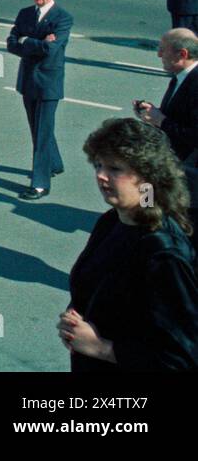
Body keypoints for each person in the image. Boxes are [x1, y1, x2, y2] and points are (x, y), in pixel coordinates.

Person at [62, 118, 198, 371]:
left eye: (115, 168)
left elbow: (181, 359)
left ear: (147, 177)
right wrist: (75, 318)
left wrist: (101, 348)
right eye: (99, 164)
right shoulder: (112, 221)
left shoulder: (163, 251)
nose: (101, 176)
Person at [6, 0, 72, 201]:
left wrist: (27, 42)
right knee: (37, 127)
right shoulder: (25, 14)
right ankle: (54, 163)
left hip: (48, 83)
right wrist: (37, 43)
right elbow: (11, 44)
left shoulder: (62, 17)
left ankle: (41, 183)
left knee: (42, 133)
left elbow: (53, 49)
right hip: (28, 80)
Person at [135, 28, 198, 230]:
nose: (158, 54)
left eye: (163, 49)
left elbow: (195, 135)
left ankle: (148, 225)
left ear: (183, 54)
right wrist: (155, 113)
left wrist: (161, 120)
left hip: (184, 166)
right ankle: (146, 219)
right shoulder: (180, 75)